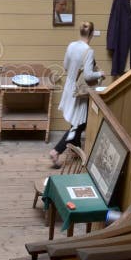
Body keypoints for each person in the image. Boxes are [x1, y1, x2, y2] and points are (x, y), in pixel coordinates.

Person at [48, 21, 105, 168]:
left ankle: (75, 150)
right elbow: (87, 76)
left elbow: (66, 66)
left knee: (76, 121)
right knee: (79, 124)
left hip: (69, 87)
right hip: (79, 92)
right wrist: (100, 73)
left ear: (80, 32)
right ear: (91, 34)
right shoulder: (89, 51)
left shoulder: (71, 45)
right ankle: (56, 151)